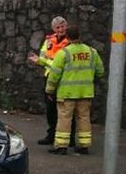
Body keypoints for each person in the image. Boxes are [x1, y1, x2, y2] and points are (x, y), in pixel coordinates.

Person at [44, 25, 105, 155]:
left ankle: (61, 146)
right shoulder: (92, 52)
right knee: (83, 118)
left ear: (67, 37)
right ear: (79, 35)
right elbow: (100, 71)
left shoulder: (64, 53)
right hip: (85, 92)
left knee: (64, 119)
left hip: (67, 93)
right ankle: (84, 145)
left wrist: (50, 90)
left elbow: (54, 74)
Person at [28, 16, 72, 145]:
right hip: (50, 77)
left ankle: (68, 137)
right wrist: (43, 62)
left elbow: (62, 64)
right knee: (51, 109)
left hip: (65, 78)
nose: (60, 30)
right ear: (53, 29)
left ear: (67, 26)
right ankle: (51, 135)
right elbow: (42, 58)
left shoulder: (71, 41)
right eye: (57, 27)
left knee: (67, 109)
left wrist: (45, 62)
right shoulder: (49, 41)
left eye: (63, 26)